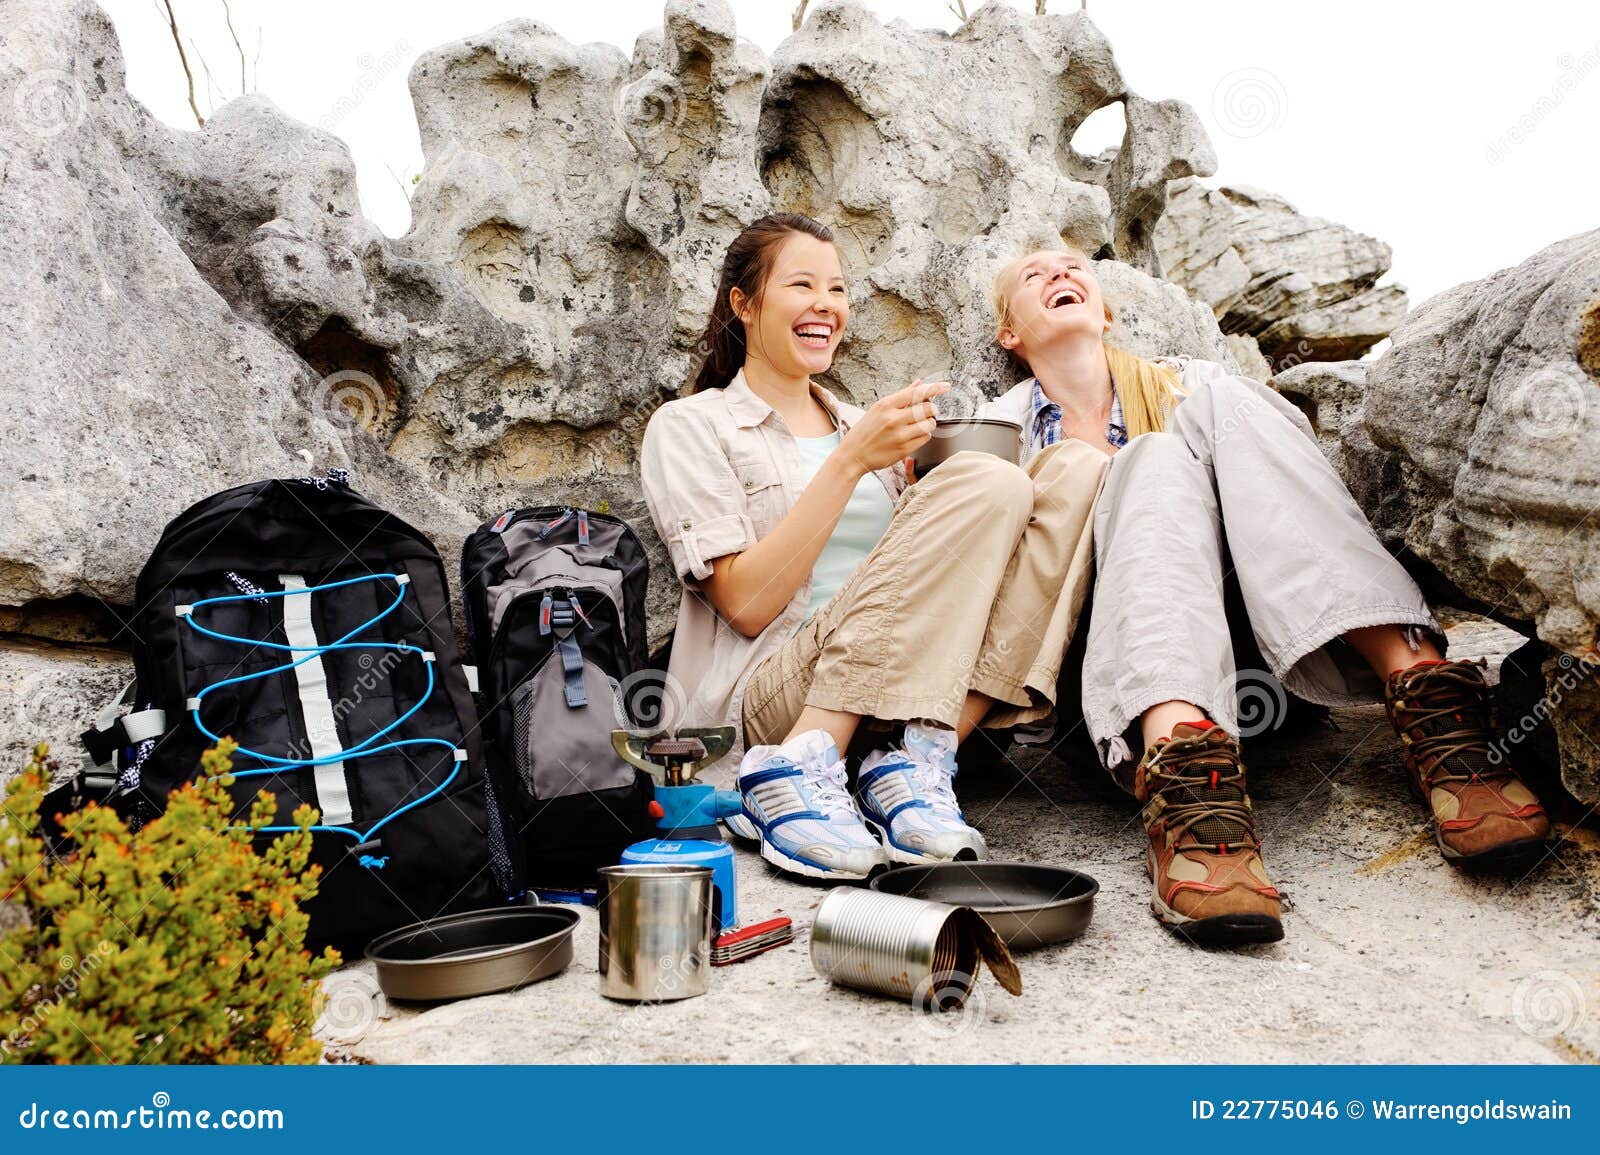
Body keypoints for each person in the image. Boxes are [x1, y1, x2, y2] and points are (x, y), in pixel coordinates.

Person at [983, 246, 1553, 944]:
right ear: (1010, 334)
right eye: (1034, 276)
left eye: (1075, 268)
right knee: (1150, 457)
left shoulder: (1194, 385)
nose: (1060, 275)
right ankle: (1185, 775)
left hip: (1278, 667)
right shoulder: (995, 434)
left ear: (1105, 311)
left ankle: (1427, 694)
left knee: (1223, 400)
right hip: (1109, 701)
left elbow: (1288, 483)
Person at [640, 215, 1110, 881]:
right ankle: (799, 762)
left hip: (907, 692)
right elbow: (743, 603)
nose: (826, 306)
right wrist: (850, 463)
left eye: (836, 289)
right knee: (985, 478)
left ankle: (918, 756)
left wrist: (921, 482)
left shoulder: (868, 425)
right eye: (802, 284)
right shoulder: (691, 426)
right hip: (775, 697)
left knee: (1073, 471)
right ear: (743, 304)